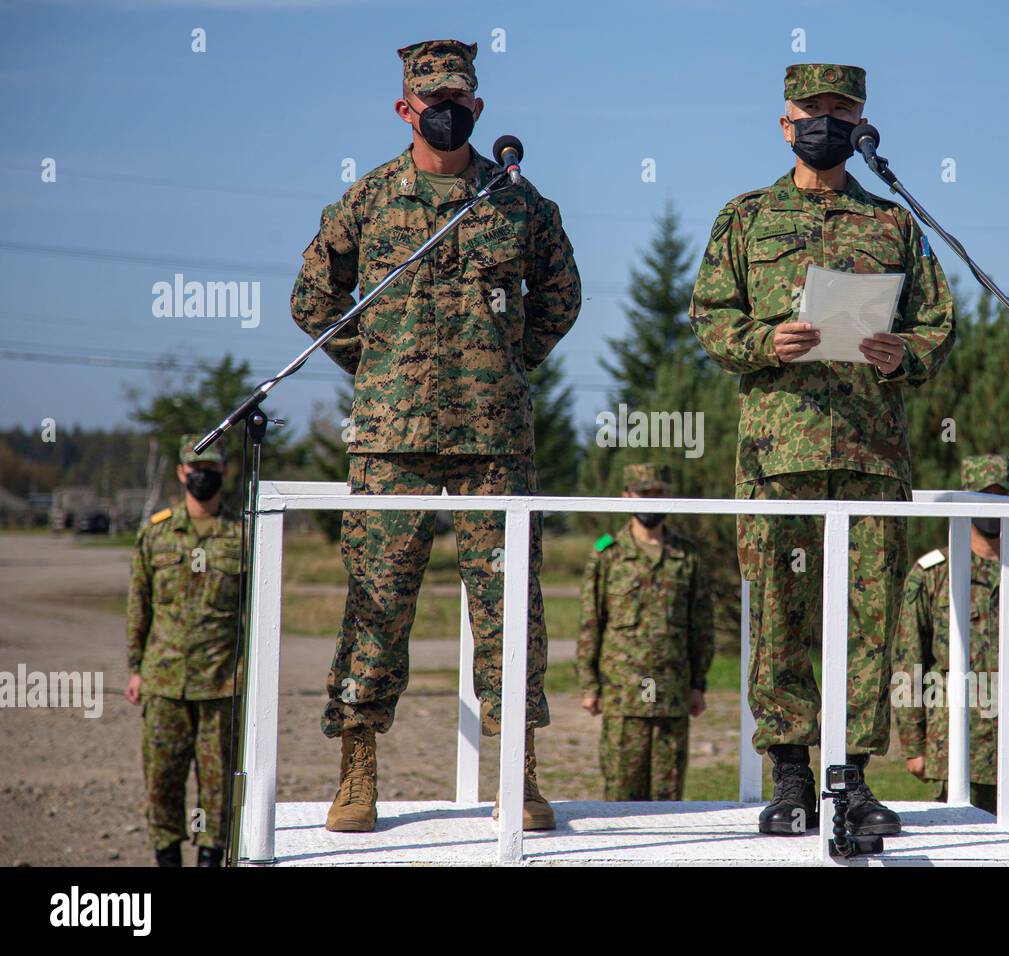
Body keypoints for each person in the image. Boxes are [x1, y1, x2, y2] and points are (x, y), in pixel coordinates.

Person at [290, 39, 581, 832]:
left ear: (478, 109)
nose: (447, 111)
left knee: (509, 606)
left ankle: (516, 772)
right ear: (405, 109)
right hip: (392, 438)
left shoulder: (518, 202)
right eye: (432, 100)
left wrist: (507, 363)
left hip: (494, 441)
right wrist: (376, 364)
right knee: (376, 603)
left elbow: (561, 293)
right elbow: (315, 298)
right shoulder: (370, 199)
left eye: (460, 99)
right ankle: (357, 770)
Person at [689, 63, 955, 837]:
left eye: (842, 112)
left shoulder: (894, 223)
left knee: (872, 616)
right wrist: (761, 339)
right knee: (779, 612)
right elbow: (709, 315)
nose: (825, 123)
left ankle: (855, 778)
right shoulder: (745, 217)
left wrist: (901, 354)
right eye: (812, 111)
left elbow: (937, 325)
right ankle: (791, 774)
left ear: (861, 123)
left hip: (872, 456)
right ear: (785, 123)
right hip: (779, 456)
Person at [892, 454, 1009, 837]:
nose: (992, 508)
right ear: (964, 501)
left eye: (1001, 498)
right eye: (983, 498)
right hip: (957, 750)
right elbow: (908, 664)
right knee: (961, 849)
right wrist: (913, 745)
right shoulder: (933, 574)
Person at [126, 434, 240, 866]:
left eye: (211, 470)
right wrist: (135, 668)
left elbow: (253, 612)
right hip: (164, 681)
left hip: (220, 685)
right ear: (181, 472)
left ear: (224, 473)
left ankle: (211, 856)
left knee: (217, 785)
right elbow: (139, 605)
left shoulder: (242, 535)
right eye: (196, 470)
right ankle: (167, 856)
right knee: (163, 779)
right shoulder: (156, 534)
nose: (203, 478)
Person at [577, 464, 714, 801]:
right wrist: (589, 685)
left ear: (670, 496)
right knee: (621, 796)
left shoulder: (687, 555)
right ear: (626, 496)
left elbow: (701, 624)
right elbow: (591, 621)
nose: (651, 501)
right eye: (643, 493)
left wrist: (698, 684)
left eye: (658, 493)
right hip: (622, 691)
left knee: (669, 797)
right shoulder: (608, 552)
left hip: (672, 690)